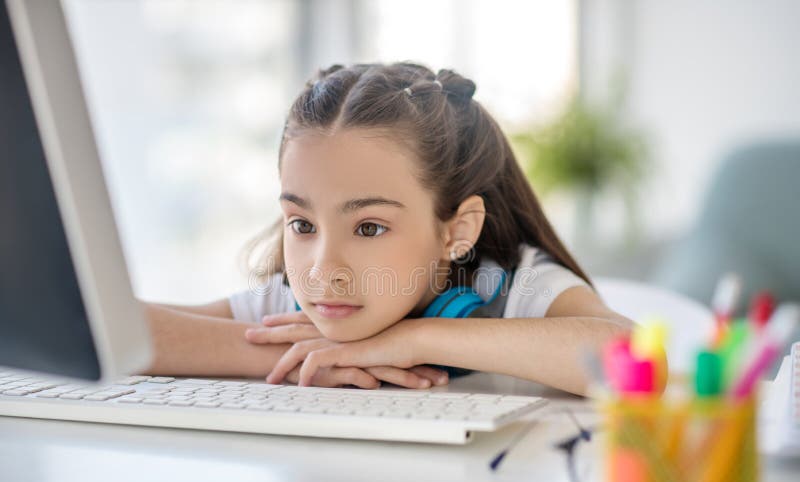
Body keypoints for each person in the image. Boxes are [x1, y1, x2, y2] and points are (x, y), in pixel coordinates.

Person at [143, 62, 634, 396]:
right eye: (303, 224)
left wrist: (413, 339)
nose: (323, 271)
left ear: (455, 231)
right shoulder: (297, 313)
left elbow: (629, 357)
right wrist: (294, 356)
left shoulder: (515, 287)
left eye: (370, 228)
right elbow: (110, 326)